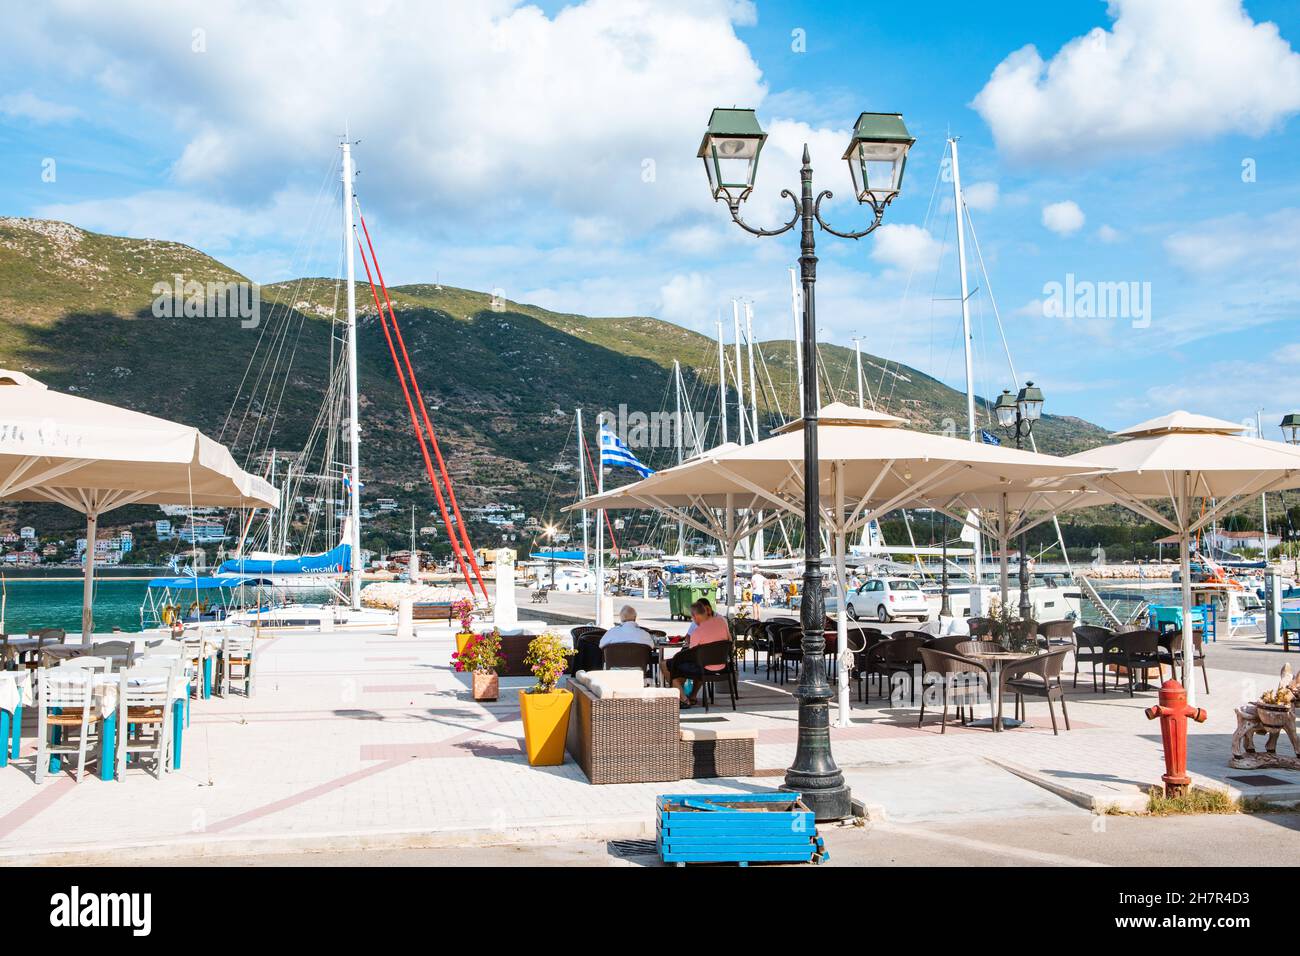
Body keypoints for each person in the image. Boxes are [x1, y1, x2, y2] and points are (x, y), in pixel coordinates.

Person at [662, 598, 730, 707]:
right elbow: (729, 641)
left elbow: (691, 655)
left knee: (668, 665)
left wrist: (677, 659)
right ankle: (689, 695)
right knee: (681, 664)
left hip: (704, 668)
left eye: (692, 617)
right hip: (722, 666)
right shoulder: (722, 621)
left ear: (695, 616)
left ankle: (684, 699)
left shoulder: (697, 632)